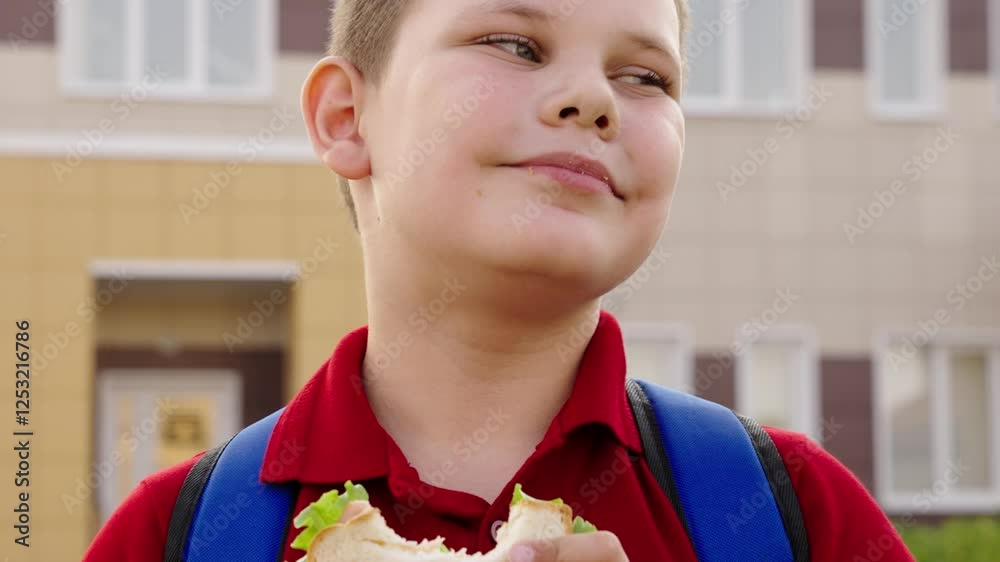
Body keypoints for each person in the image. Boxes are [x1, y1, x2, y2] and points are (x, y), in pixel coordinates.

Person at [84, 0, 915, 560]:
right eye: (515, 44)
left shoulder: (798, 514)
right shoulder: (172, 535)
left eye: (646, 77)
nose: (595, 98)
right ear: (347, 118)